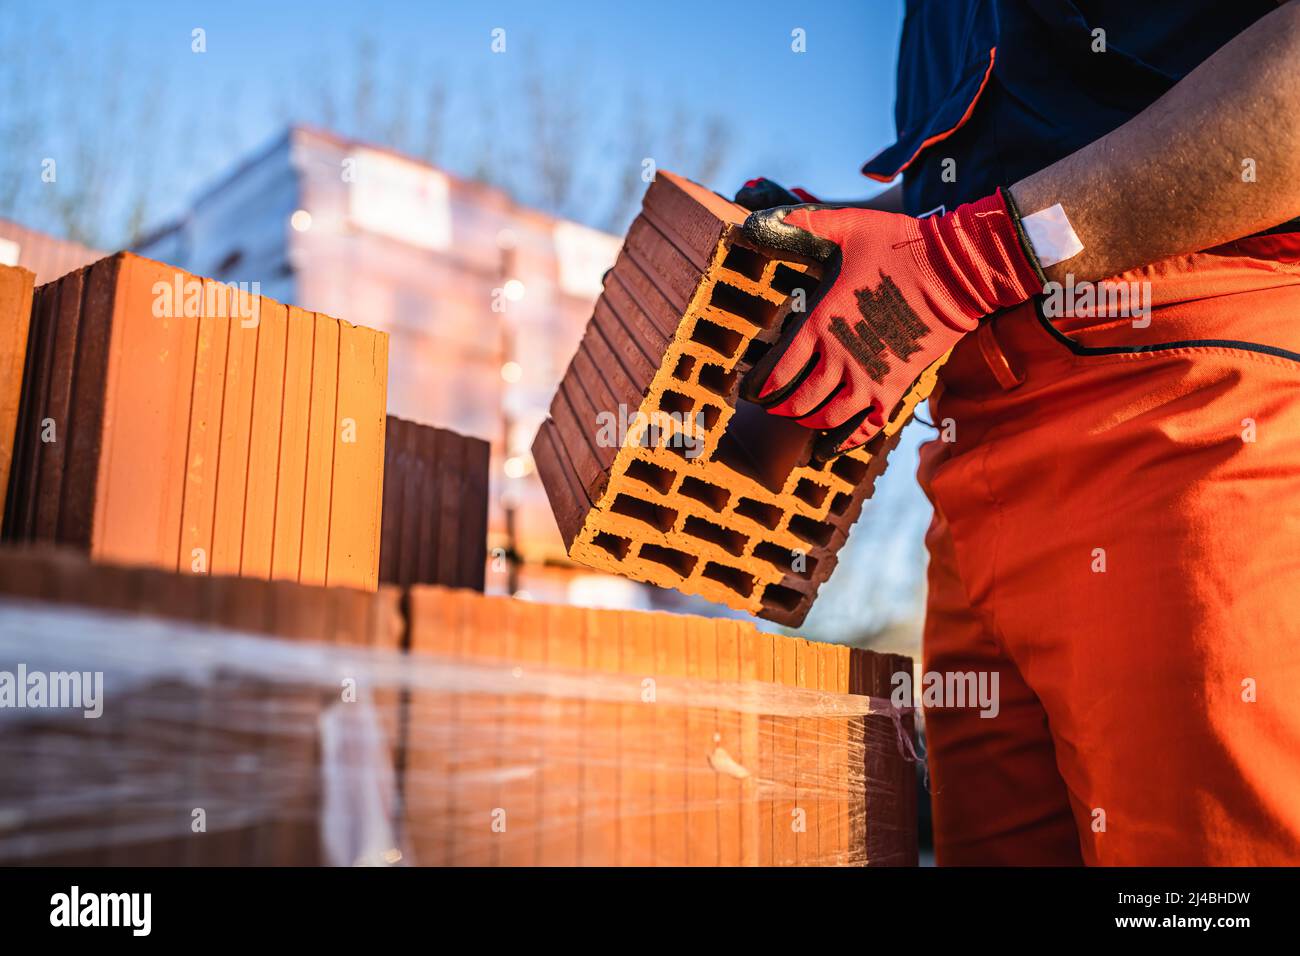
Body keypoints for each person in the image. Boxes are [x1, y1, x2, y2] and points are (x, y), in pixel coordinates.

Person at [737, 0, 1300, 865]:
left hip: (1193, 410)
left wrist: (967, 259)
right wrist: (866, 233)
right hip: (971, 459)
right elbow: (1024, 160)